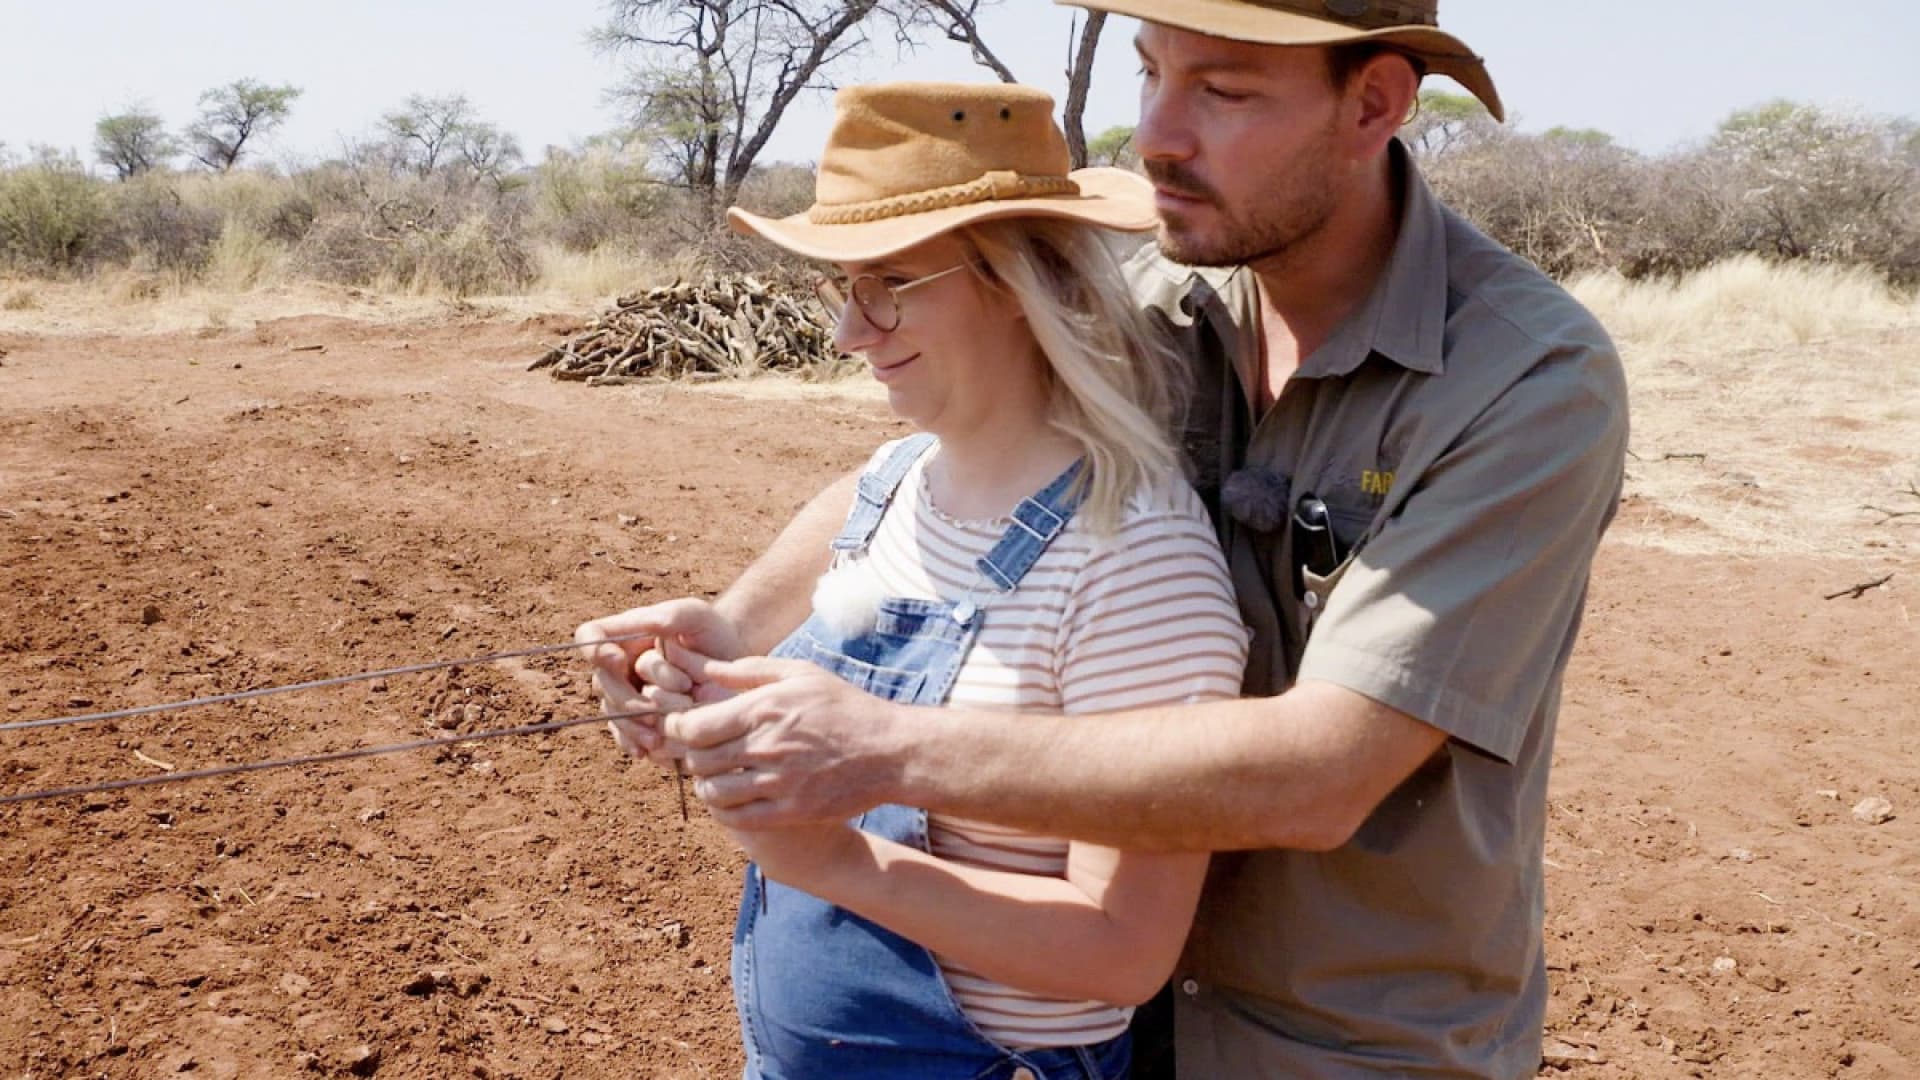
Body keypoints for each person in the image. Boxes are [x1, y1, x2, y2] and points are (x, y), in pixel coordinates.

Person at [581, 2, 1631, 1076]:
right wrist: (738, 619)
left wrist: (876, 750)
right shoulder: (1156, 292)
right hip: (1095, 1021)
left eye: (1222, 92)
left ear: (1373, 104)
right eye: (1149, 74)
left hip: (1340, 1033)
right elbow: (913, 474)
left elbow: (1324, 772)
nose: (1158, 136)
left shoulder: (1525, 383)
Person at [581, 82, 1248, 1079]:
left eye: (891, 282)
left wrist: (835, 863)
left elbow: (1125, 951)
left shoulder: (1137, 564)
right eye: (842, 288)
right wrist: (681, 666)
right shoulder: (887, 485)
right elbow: (732, 642)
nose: (852, 332)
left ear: (1021, 280)